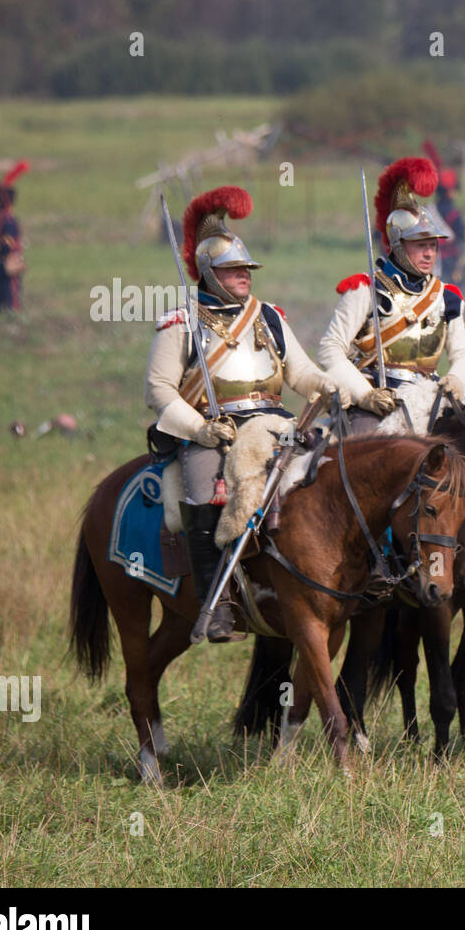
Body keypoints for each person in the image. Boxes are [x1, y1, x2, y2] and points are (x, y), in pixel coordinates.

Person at [144, 185, 339, 641]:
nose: (244, 276)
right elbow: (159, 390)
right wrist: (201, 429)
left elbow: (301, 372)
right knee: (199, 494)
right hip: (211, 433)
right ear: (210, 272)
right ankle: (216, 604)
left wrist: (329, 388)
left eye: (246, 269)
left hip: (275, 425)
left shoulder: (268, 317)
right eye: (233, 270)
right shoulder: (181, 323)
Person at [319, 157, 465, 437]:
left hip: (430, 400)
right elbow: (331, 349)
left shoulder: (447, 298)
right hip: (376, 401)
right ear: (398, 245)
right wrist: (365, 395)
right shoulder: (365, 290)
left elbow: (464, 354)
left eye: (432, 245)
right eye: (420, 245)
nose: (429, 253)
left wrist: (455, 379)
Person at [0, 160, 28, 314]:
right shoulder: (1, 219)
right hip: (2, 261)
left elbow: (8, 241)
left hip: (9, 261)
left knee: (10, 297)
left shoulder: (7, 220)